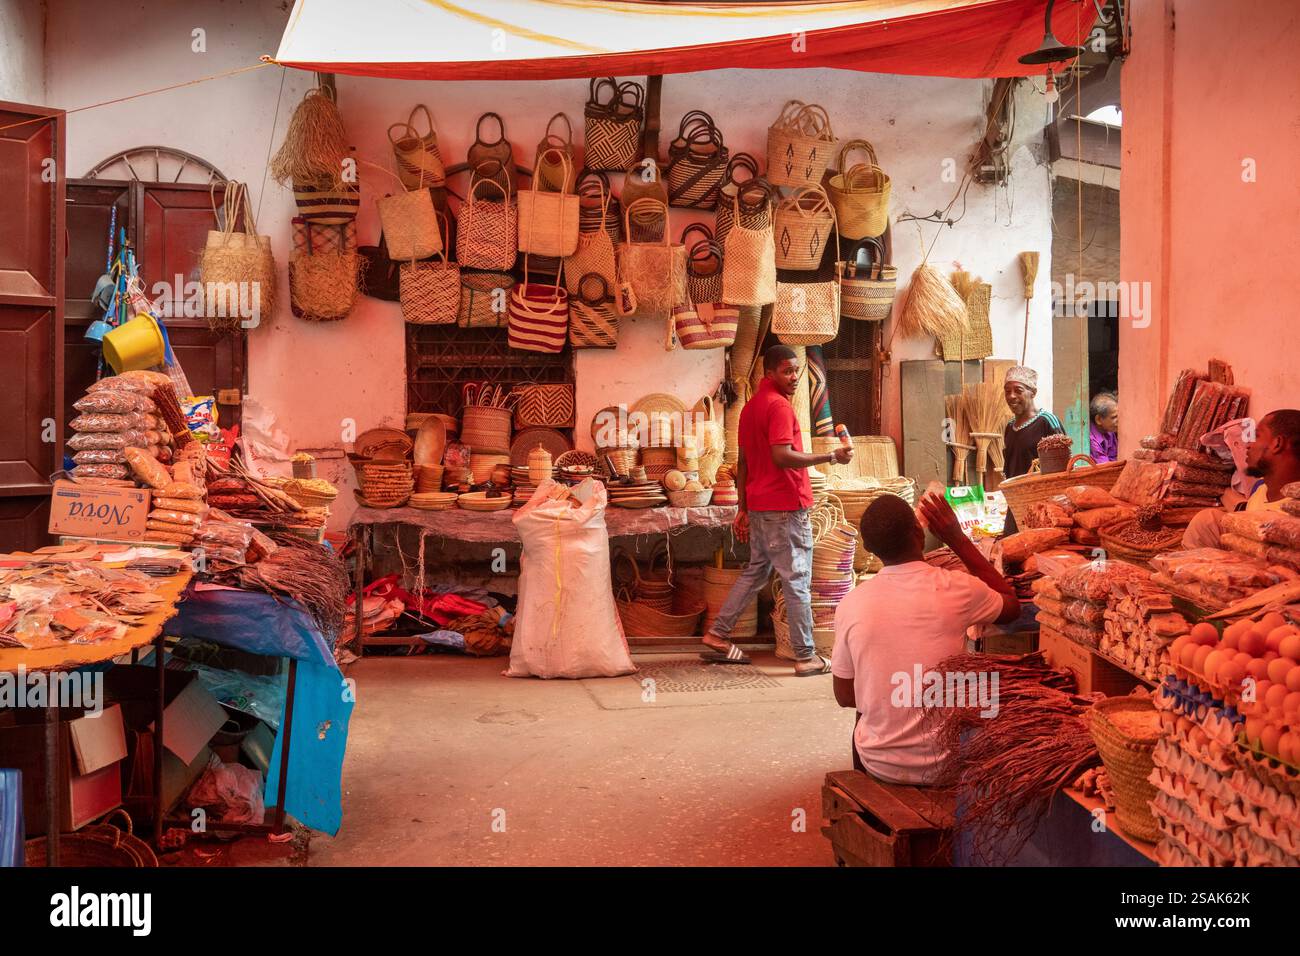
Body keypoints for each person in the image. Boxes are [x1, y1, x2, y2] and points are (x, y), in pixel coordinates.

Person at [831, 491, 1020, 783]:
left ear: (869, 548)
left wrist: (885, 690)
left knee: (865, 711)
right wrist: (956, 538)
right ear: (919, 533)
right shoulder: (957, 587)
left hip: (878, 763)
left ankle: (871, 795)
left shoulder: (850, 604)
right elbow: (1011, 606)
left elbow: (845, 696)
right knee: (983, 694)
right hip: (946, 765)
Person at [701, 344, 853, 675]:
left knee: (757, 570)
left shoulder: (751, 408)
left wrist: (743, 506)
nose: (795, 376)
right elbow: (781, 456)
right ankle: (805, 655)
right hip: (785, 506)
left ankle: (717, 635)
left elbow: (742, 463)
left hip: (760, 505)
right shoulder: (779, 408)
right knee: (797, 577)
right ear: (769, 373)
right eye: (787, 371)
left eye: (797, 370)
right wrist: (829, 457)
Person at [1182, 409, 1300, 549]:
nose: (1248, 445)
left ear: (1277, 444)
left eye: (1256, 436)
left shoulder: (1294, 511)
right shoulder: (1260, 491)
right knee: (1207, 520)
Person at [1001, 365, 1065, 534]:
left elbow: (1063, 465)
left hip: (1042, 503)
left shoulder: (1047, 421)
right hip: (1016, 500)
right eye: (1007, 391)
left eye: (1018, 390)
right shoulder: (1009, 427)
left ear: (1033, 393)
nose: (1011, 396)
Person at [1089, 392, 1119, 464]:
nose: (1118, 420)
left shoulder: (1110, 432)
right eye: (1114, 417)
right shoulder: (1090, 439)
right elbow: (1106, 466)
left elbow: (1114, 458)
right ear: (1098, 419)